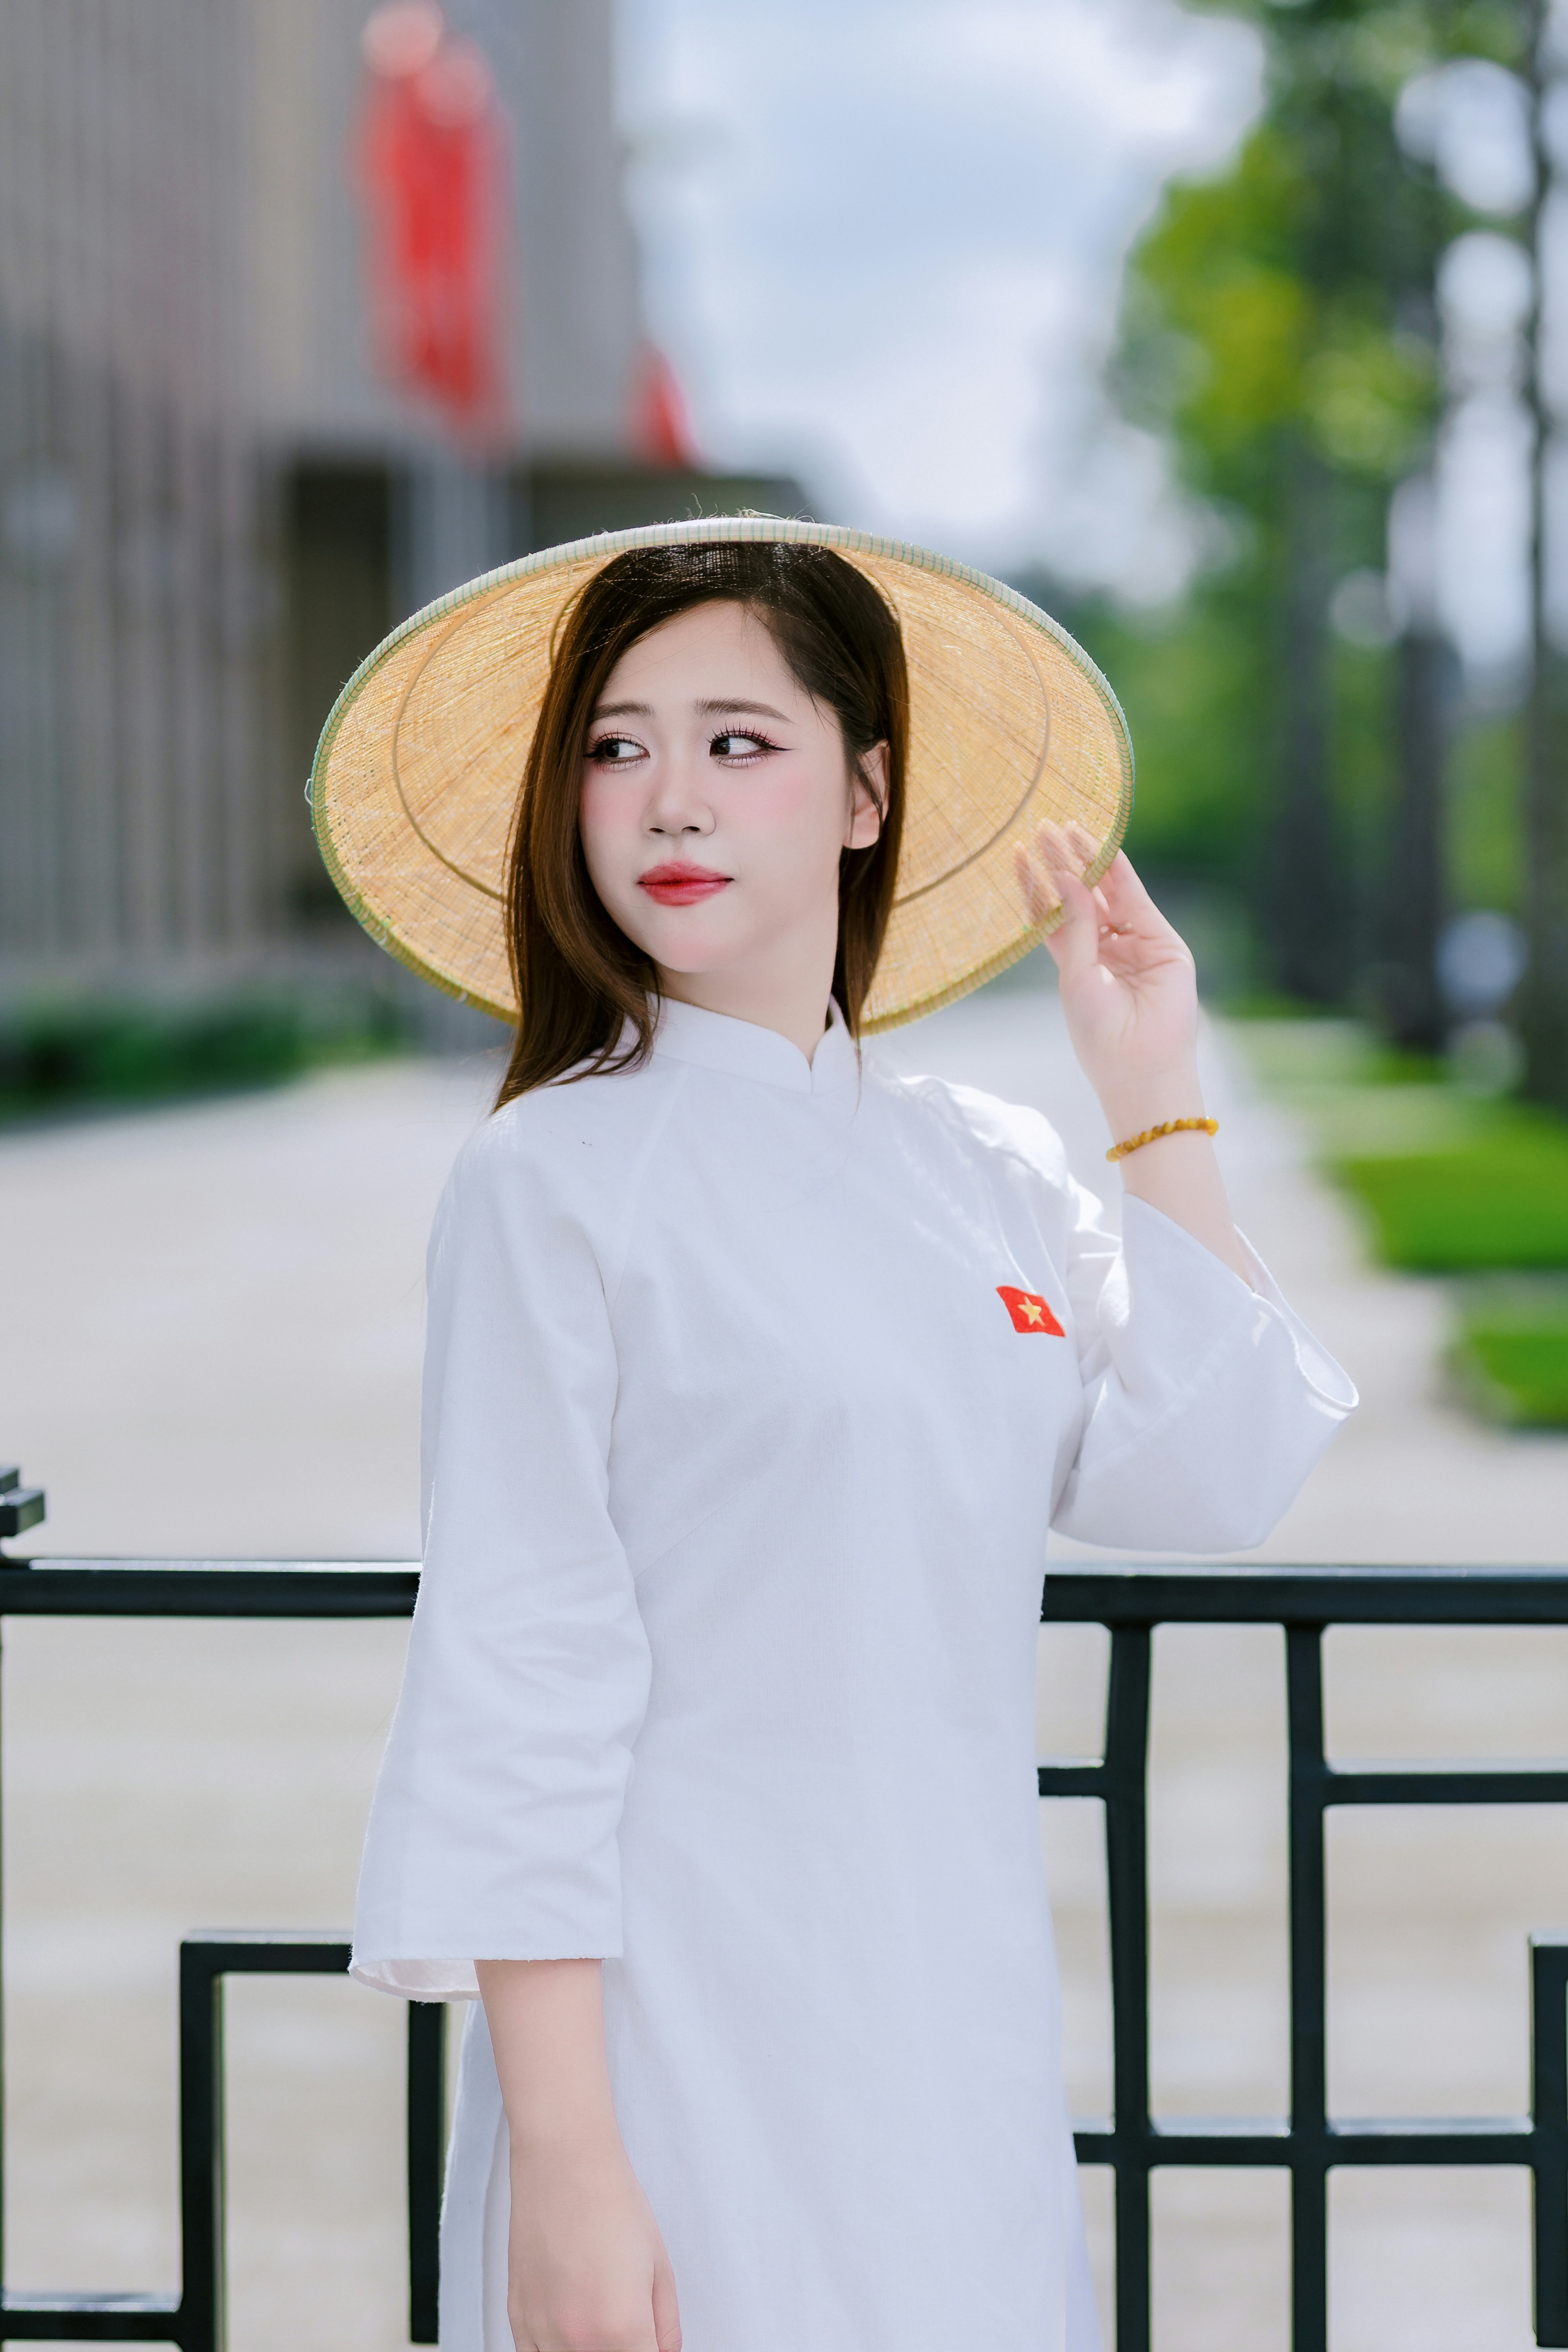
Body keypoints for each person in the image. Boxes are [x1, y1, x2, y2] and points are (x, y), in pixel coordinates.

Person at [318, 524, 1356, 2352]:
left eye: (736, 741)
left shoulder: (983, 1165)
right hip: (669, 2044)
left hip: (948, 2025)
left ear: (865, 792)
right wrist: (566, 2164)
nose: (666, 802)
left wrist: (1148, 1089)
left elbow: (1205, 1474)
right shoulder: (548, 1178)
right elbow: (518, 1668)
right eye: (616, 745)